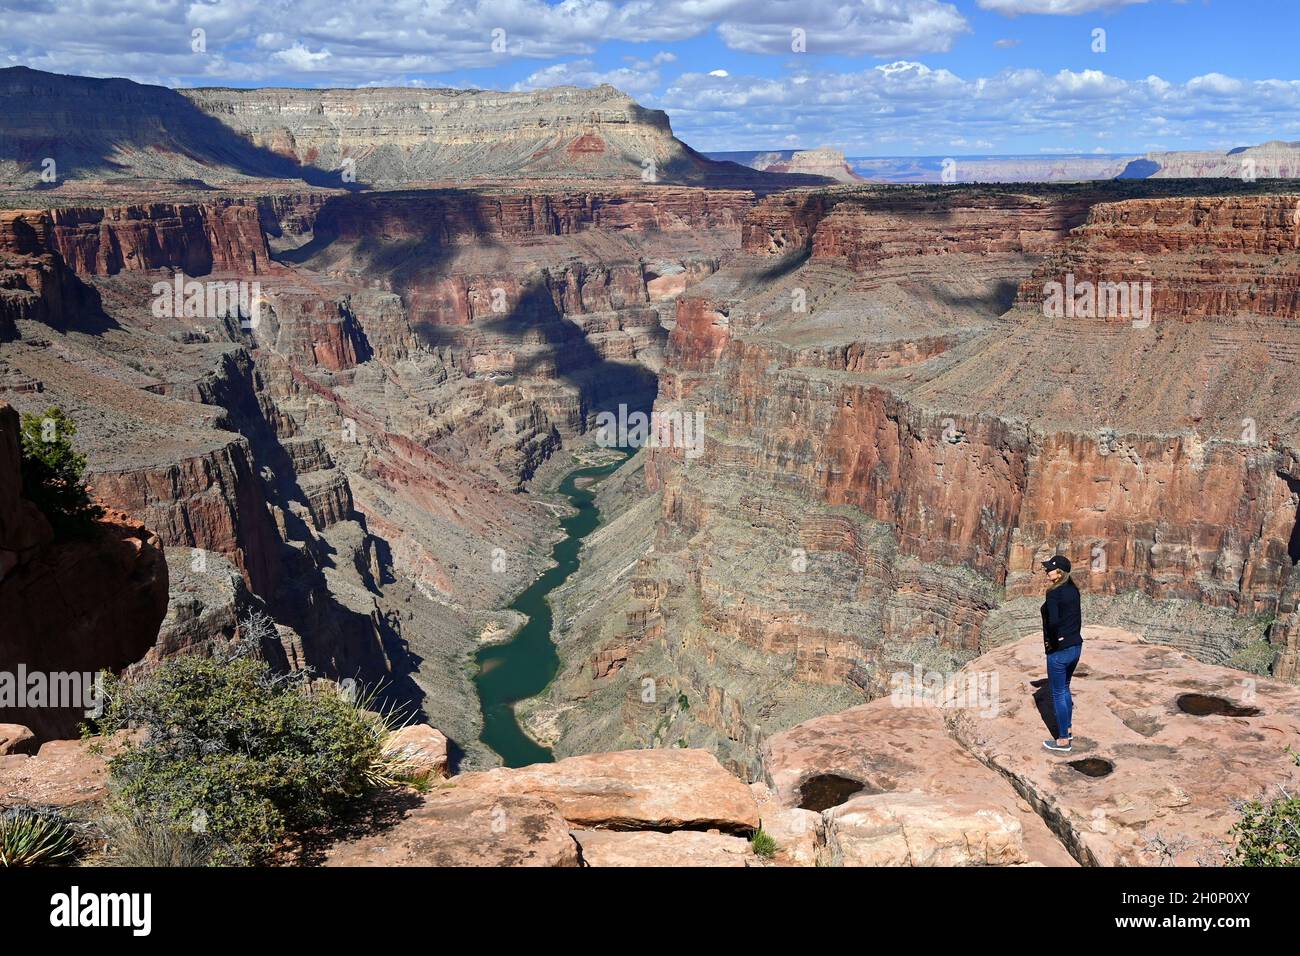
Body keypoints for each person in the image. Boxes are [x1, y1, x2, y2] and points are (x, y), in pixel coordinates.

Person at [1040, 554, 1082, 753]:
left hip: (1060, 651)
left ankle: (1063, 740)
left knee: (1057, 693)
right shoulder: (1073, 590)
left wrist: (1053, 644)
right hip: (1076, 647)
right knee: (1065, 687)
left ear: (1060, 573)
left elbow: (1054, 622)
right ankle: (1069, 728)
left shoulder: (1054, 594)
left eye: (1050, 569)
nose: (1047, 571)